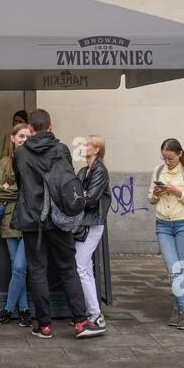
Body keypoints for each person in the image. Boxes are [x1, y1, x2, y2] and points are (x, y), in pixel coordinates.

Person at [12, 109, 104, 340]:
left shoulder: (21, 153)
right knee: (67, 268)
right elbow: (67, 182)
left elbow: (20, 183)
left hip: (32, 219)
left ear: (30, 129)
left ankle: (44, 325)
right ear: (51, 126)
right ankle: (81, 322)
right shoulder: (61, 149)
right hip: (59, 218)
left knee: (37, 271)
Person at [148, 138, 184, 329]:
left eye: (170, 158)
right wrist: (157, 193)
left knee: (180, 269)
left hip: (183, 225)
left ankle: (181, 310)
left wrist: (176, 191)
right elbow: (150, 199)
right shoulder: (158, 170)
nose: (167, 162)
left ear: (180, 154)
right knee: (174, 268)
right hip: (163, 225)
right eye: (164, 158)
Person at [0, 122, 33, 327]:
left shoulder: (34, 161)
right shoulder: (5, 162)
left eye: (27, 136)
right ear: (13, 139)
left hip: (29, 219)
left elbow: (31, 189)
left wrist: (14, 186)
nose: (24, 139)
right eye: (21, 136)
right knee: (18, 269)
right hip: (8, 219)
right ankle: (24, 310)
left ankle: (7, 309)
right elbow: (1, 190)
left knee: (19, 266)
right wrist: (20, 188)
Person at [75, 135, 111, 330]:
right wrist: (82, 195)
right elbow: (77, 194)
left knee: (81, 266)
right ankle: (92, 311)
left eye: (87, 144)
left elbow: (90, 199)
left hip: (93, 222)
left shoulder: (99, 171)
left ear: (96, 149)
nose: (83, 146)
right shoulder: (84, 171)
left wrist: (82, 195)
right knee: (84, 266)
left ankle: (95, 314)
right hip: (85, 223)